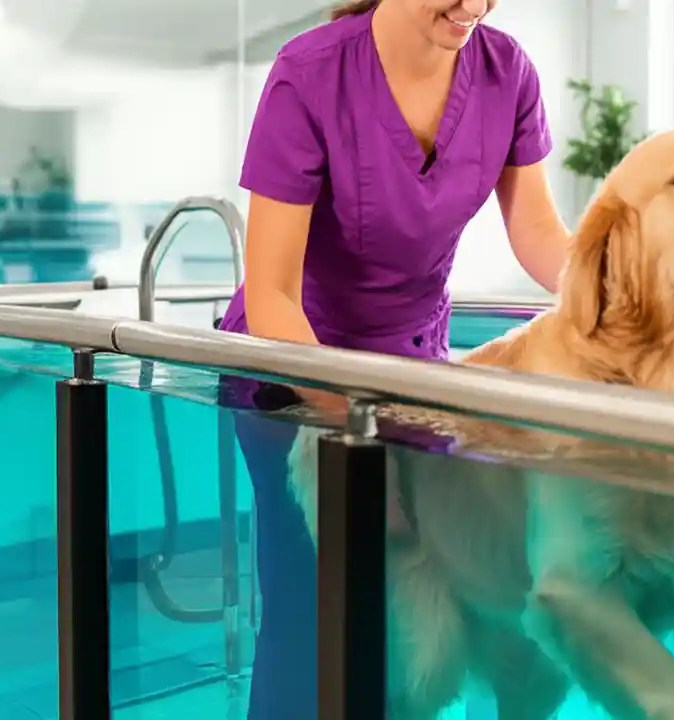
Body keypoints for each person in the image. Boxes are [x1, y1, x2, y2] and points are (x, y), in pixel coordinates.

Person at [214, 1, 569, 716]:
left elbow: (536, 231)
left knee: (414, 618)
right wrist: (354, 423)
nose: (474, 6)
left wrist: (625, 300)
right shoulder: (308, 75)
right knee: (310, 618)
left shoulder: (508, 71)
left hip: (412, 382)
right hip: (291, 383)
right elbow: (276, 291)